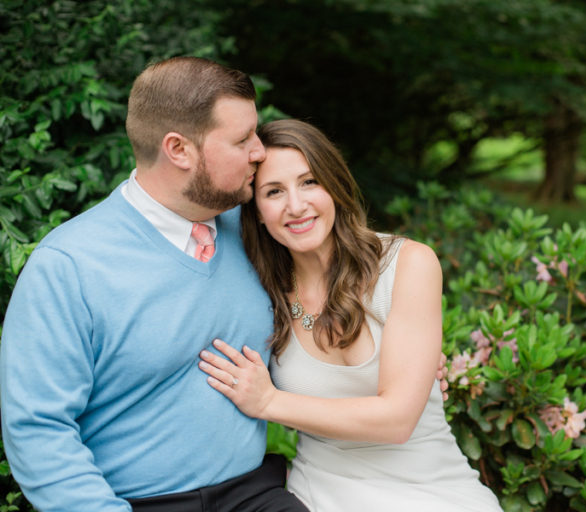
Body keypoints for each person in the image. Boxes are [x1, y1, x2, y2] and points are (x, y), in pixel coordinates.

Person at [0, 57, 309, 512]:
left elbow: (337, 274)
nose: (260, 151)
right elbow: (37, 429)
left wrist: (393, 354)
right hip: (134, 503)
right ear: (179, 150)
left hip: (252, 494)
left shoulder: (255, 227)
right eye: (242, 139)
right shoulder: (68, 267)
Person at [197, 119, 503, 511]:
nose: (296, 205)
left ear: (335, 185)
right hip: (323, 493)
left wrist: (269, 402)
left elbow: (397, 420)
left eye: (309, 182)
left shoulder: (407, 264)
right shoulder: (258, 290)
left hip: (435, 488)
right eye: (274, 191)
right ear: (256, 211)